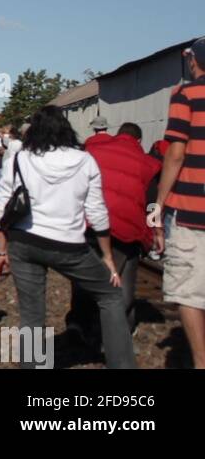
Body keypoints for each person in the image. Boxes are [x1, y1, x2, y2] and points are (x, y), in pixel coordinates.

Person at [0, 106, 135, 369]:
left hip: (24, 243)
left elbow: (1, 209)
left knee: (32, 315)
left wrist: (2, 251)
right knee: (110, 296)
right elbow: (97, 213)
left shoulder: (20, 159)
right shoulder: (85, 160)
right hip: (69, 246)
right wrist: (107, 256)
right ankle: (122, 365)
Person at [67, 122, 161, 346]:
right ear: (138, 141)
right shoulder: (146, 163)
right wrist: (154, 234)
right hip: (124, 229)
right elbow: (151, 204)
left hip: (88, 224)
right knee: (121, 282)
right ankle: (117, 332)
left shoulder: (94, 152)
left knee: (84, 277)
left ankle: (78, 324)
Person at [152, 38, 205, 368]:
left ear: (193, 63)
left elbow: (175, 153)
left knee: (189, 291)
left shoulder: (186, 94)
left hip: (191, 210)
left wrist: (158, 204)